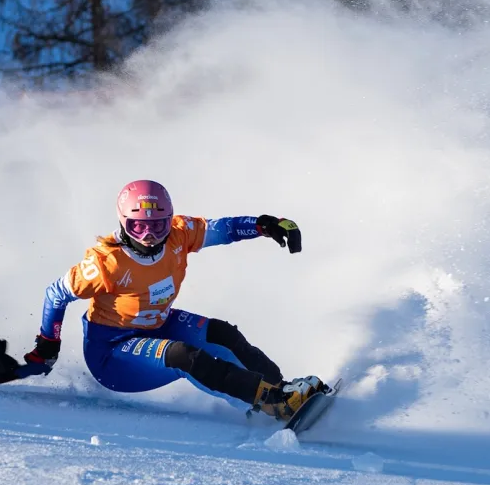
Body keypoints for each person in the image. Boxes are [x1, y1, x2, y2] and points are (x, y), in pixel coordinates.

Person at [20, 179, 327, 420]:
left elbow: (224, 228)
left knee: (223, 334)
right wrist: (48, 344)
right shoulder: (106, 263)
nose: (148, 236)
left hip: (158, 324)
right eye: (137, 226)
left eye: (157, 226)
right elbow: (56, 293)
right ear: (123, 222)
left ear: (170, 220)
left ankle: (281, 389)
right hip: (113, 354)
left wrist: (264, 224)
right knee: (184, 356)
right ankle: (270, 404)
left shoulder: (180, 234)